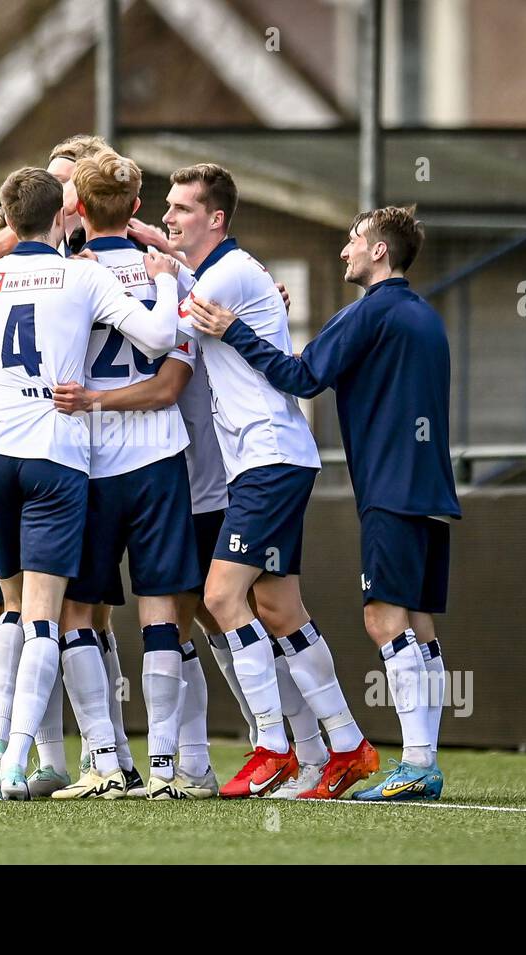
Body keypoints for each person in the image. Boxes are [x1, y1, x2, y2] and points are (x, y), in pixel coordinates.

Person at [190, 204, 460, 801]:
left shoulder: (369, 312)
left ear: (380, 251)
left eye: (353, 240)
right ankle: (416, 762)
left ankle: (413, 764)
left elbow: (301, 376)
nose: (345, 251)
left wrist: (235, 329)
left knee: (382, 619)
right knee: (418, 621)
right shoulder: (424, 316)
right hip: (431, 487)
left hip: (389, 487)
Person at [0, 166, 180, 800]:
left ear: (7, 216)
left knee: (7, 607)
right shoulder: (83, 274)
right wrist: (163, 282)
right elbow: (160, 335)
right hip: (56, 449)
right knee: (43, 619)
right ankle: (17, 763)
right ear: (65, 214)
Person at [166, 163, 377, 800]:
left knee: (223, 598)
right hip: (273, 457)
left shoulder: (222, 274)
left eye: (182, 209)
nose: (171, 217)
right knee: (280, 608)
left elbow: (154, 337)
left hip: (268, 460)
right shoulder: (221, 271)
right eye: (167, 208)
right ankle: (347, 746)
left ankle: (271, 747)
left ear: (216, 219)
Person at [47, 150, 204, 799]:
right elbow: (171, 384)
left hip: (86, 462)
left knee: (77, 610)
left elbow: (55, 378)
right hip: (159, 458)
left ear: (77, 208)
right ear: (138, 206)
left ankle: (105, 760)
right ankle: (165, 768)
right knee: (161, 606)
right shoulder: (179, 279)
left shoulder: (61, 278)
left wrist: (92, 400)